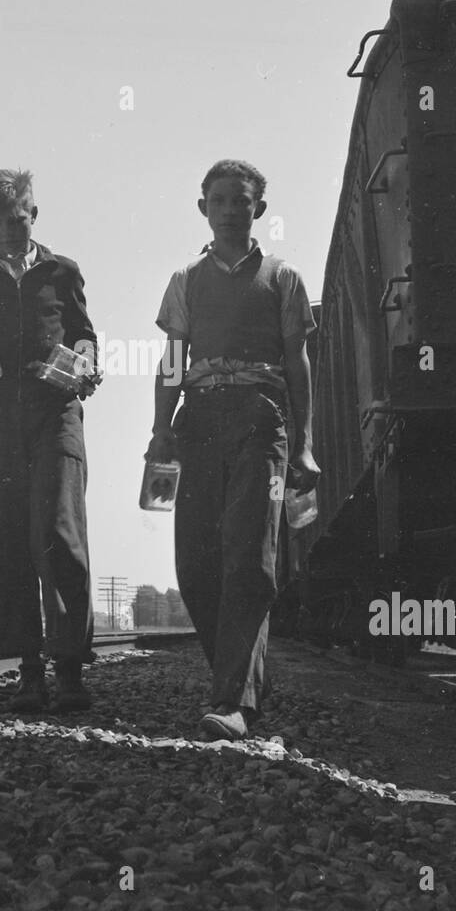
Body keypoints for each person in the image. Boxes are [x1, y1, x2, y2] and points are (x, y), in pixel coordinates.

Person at [146, 159, 319, 740]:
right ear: (203, 208)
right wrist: (160, 427)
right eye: (218, 200)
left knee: (249, 559)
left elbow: (297, 362)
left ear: (258, 209)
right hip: (197, 421)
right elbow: (173, 360)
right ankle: (241, 680)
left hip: (260, 421)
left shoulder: (282, 277)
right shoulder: (186, 279)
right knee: (196, 567)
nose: (229, 210)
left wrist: (305, 445)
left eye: (241, 201)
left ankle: (233, 702)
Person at [0, 169, 100, 713]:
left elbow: (85, 336)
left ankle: (70, 670)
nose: (7, 232)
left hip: (56, 416)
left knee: (58, 530)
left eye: (16, 220)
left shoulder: (62, 272)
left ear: (34, 214)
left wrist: (83, 362)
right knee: (9, 538)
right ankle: (29, 671)